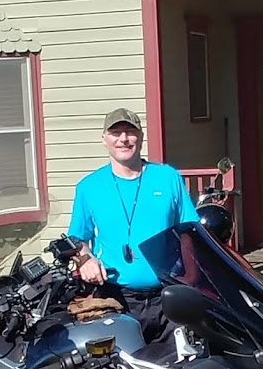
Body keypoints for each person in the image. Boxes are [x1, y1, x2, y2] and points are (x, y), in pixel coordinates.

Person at [68, 107, 200, 344]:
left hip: (168, 299)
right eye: (116, 133)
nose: (123, 139)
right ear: (105, 140)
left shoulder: (168, 178)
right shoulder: (89, 187)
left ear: (140, 136)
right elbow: (77, 240)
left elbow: (190, 234)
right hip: (116, 301)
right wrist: (85, 260)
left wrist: (191, 283)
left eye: (130, 132)